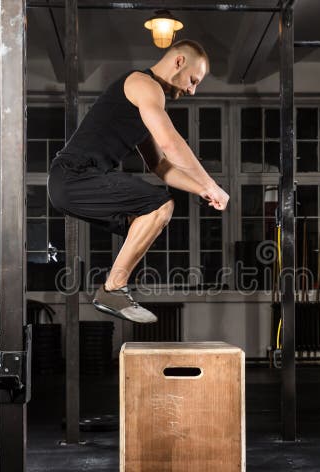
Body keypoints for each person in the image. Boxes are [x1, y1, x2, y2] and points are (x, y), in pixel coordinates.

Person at [48, 40, 229, 323]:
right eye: (194, 80)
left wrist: (202, 191)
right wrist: (210, 184)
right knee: (160, 205)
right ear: (179, 62)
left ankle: (115, 288)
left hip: (75, 181)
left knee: (145, 219)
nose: (192, 89)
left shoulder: (145, 104)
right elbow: (170, 142)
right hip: (74, 175)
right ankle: (113, 289)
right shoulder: (143, 85)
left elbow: (161, 166)